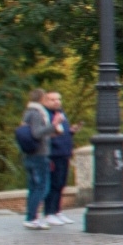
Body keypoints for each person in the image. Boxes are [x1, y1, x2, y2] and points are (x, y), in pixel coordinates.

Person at [18, 88, 55, 229]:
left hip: (30, 154)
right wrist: (54, 125)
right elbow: (37, 133)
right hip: (39, 155)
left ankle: (31, 217)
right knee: (42, 188)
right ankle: (32, 217)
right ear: (41, 99)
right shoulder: (37, 114)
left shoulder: (28, 112)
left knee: (33, 187)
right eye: (46, 98)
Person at [42, 90, 74, 225]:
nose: (57, 102)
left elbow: (62, 132)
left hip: (64, 153)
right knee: (53, 184)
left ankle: (57, 211)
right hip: (52, 155)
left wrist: (71, 132)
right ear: (45, 101)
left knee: (61, 184)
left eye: (58, 99)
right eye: (53, 99)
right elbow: (43, 134)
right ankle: (49, 213)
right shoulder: (45, 115)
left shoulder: (61, 114)